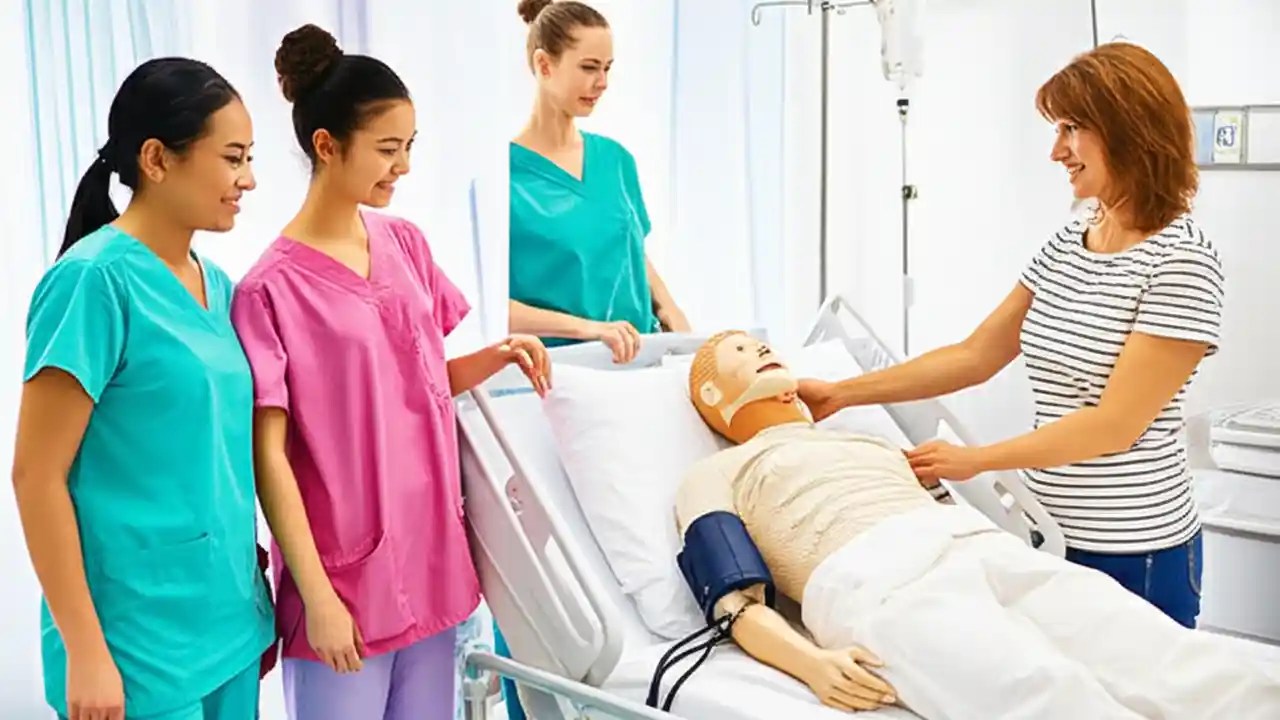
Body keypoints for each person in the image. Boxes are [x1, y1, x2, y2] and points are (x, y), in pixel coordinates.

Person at [798, 42, 1223, 630]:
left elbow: (1115, 424)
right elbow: (976, 355)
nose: (1056, 151)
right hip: (1049, 534)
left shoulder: (1182, 261)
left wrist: (976, 460)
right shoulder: (1071, 239)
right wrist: (846, 392)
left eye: (1071, 128)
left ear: (1129, 129)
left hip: (1137, 551)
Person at [672, 330, 1279, 720]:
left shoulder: (863, 437)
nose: (762, 349)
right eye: (741, 352)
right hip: (879, 586)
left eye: (761, 343)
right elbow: (732, 601)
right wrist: (812, 664)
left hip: (975, 545)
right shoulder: (715, 474)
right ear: (709, 391)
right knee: (1039, 689)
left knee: (1157, 651)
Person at [229, 25, 550, 720]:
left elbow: (419, 383)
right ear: (326, 145)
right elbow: (269, 458)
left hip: (431, 562)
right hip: (344, 585)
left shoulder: (405, 243)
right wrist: (316, 596)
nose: (402, 165)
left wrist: (495, 357)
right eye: (386, 149)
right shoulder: (269, 290)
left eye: (409, 147)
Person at [11, 58, 274, 720]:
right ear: (157, 159)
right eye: (232, 158)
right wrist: (85, 649)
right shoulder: (92, 284)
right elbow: (35, 477)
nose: (249, 179)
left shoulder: (219, 287)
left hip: (229, 625)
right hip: (134, 648)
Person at [509, 0, 690, 365]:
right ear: (544, 65)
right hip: (558, 373)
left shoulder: (615, 160)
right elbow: (485, 309)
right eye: (589, 68)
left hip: (642, 360)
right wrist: (589, 330)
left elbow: (629, 249)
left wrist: (670, 309)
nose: (602, 83)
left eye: (607, 68)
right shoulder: (505, 179)